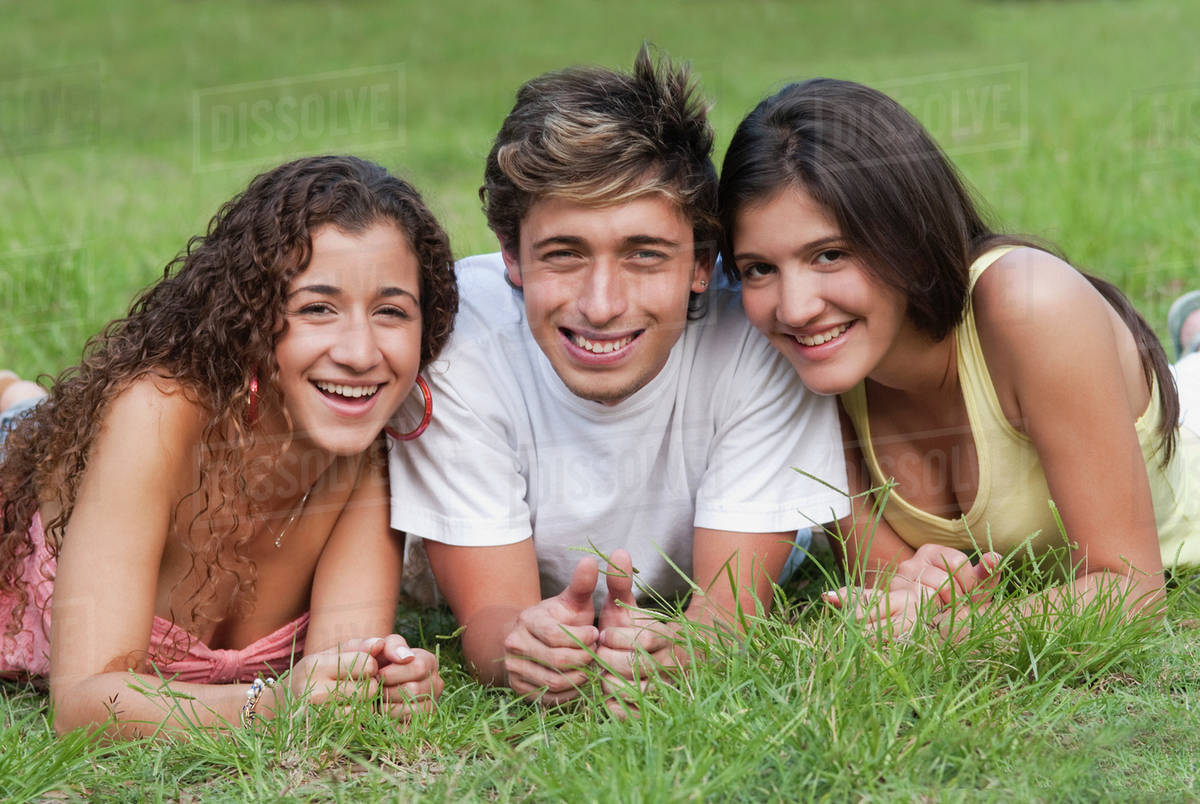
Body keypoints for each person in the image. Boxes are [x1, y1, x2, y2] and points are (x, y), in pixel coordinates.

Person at [387, 48, 849, 709]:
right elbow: (494, 632)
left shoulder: (756, 327)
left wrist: (680, 651)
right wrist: (527, 645)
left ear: (701, 261)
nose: (602, 305)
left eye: (644, 255)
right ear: (511, 254)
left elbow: (725, 624)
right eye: (564, 255)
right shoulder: (457, 337)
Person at [717, 78, 1200, 635]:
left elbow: (1131, 591)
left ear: (905, 233)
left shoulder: (1032, 305)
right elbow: (888, 588)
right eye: (759, 268)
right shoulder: (800, 362)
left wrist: (944, 632)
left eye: (830, 254)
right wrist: (919, 597)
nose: (796, 309)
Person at [0, 155, 456, 736]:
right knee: (22, 423)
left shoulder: (372, 455)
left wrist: (384, 686)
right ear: (252, 316)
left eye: (392, 311)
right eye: (317, 308)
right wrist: (273, 704)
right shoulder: (156, 414)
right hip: (19, 485)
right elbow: (84, 704)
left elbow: (340, 680)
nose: (361, 353)